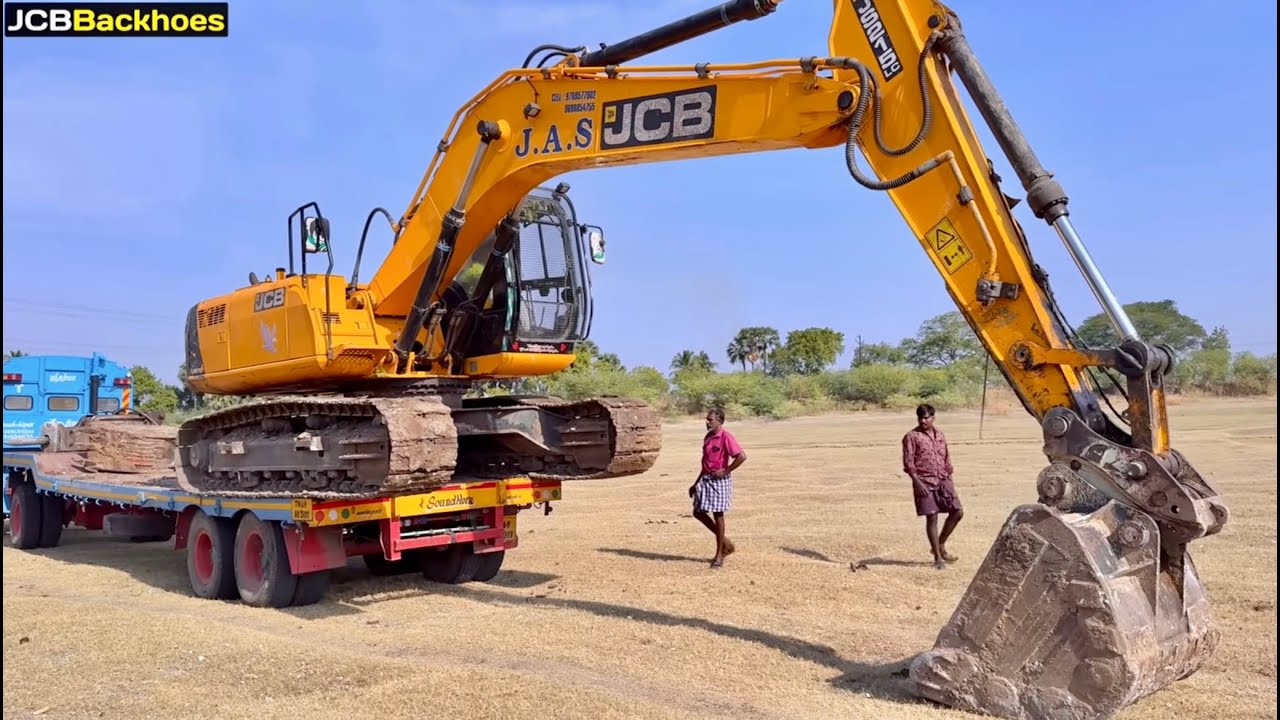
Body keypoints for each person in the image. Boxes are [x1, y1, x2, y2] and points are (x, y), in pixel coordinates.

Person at [902, 403, 964, 570]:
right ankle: (937, 557)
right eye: (920, 417)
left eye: (926, 417)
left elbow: (946, 458)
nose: (923, 420)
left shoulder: (940, 435)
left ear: (933, 418)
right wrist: (917, 482)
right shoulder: (911, 437)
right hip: (924, 481)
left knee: (958, 511)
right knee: (932, 517)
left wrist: (950, 480)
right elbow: (909, 462)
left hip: (943, 479)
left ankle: (940, 544)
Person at [688, 408, 747, 568]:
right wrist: (696, 483)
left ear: (720, 421)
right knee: (698, 512)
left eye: (710, 420)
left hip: (719, 480)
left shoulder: (725, 437)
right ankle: (726, 543)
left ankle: (720, 554)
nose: (707, 422)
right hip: (706, 478)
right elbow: (705, 463)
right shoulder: (708, 437)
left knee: (718, 514)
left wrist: (726, 470)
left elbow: (741, 456)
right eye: (707, 419)